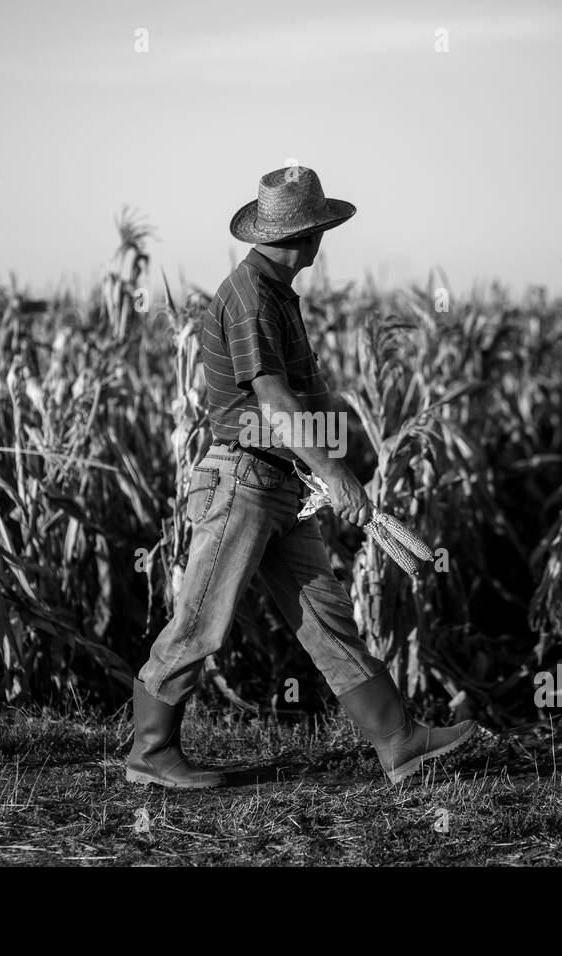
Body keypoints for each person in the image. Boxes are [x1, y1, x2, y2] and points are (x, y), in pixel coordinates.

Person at [127, 166, 477, 787]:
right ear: (311, 235)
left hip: (277, 483)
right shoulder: (253, 296)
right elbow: (273, 403)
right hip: (243, 481)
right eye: (324, 230)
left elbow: (297, 403)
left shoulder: (274, 294)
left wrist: (325, 470)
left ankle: (398, 741)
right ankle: (151, 753)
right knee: (202, 620)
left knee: (325, 616)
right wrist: (337, 474)